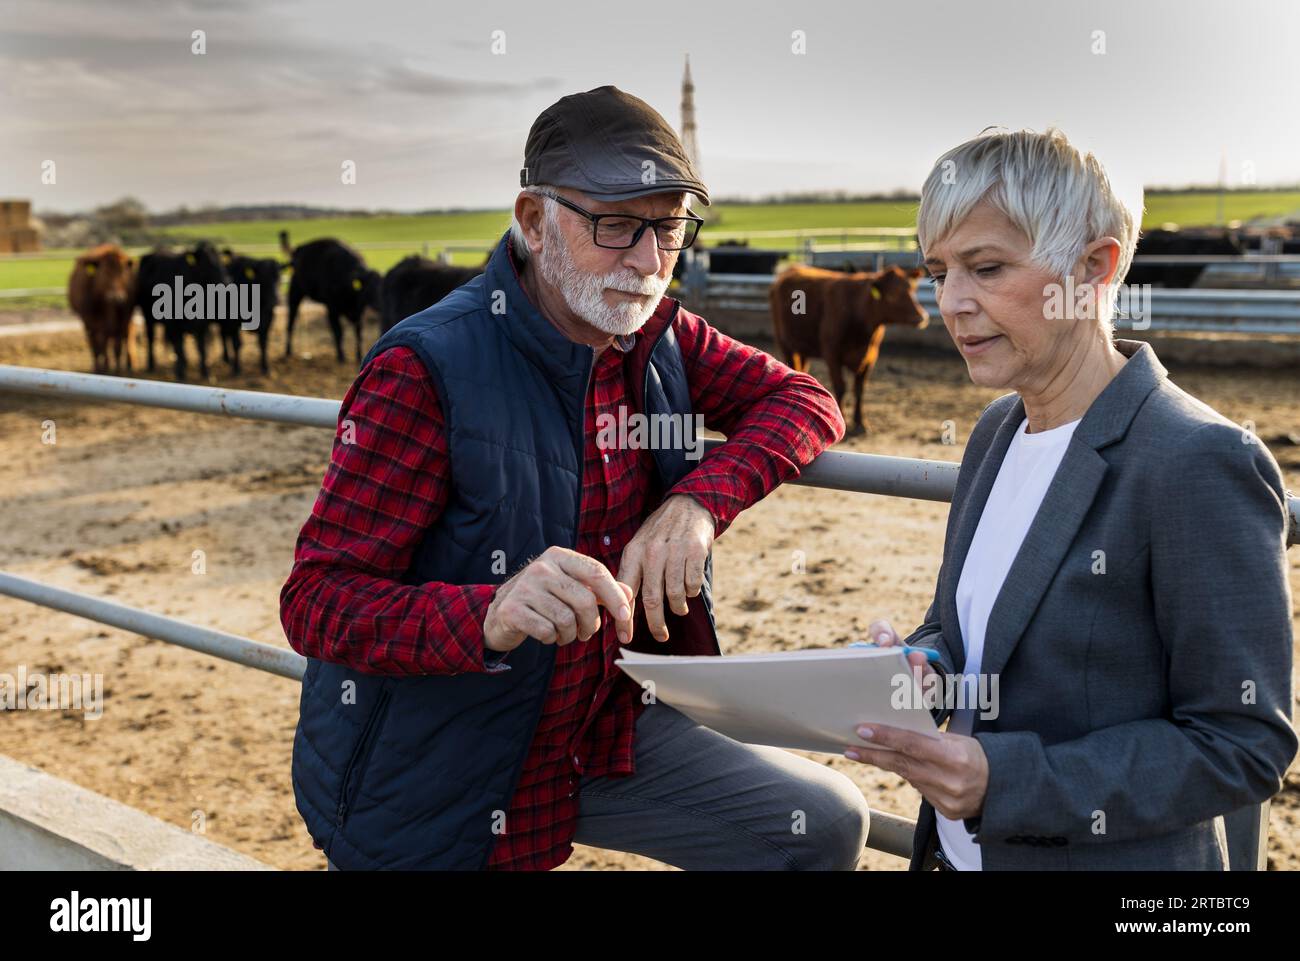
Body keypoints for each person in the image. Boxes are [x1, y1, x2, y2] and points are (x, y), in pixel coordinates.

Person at [281, 85, 871, 870]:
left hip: (599, 726)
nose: (650, 261)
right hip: (450, 756)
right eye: (617, 225)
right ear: (533, 221)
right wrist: (490, 611)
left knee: (821, 822)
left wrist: (698, 500)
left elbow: (802, 397)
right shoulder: (424, 368)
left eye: (668, 227)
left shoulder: (656, 333)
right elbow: (317, 599)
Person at [846, 127, 1297, 870]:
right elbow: (970, 631)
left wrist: (1011, 780)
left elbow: (1243, 742)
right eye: (938, 271)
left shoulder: (1197, 460)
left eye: (986, 267)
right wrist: (923, 666)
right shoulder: (997, 429)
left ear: (1093, 267)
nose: (952, 301)